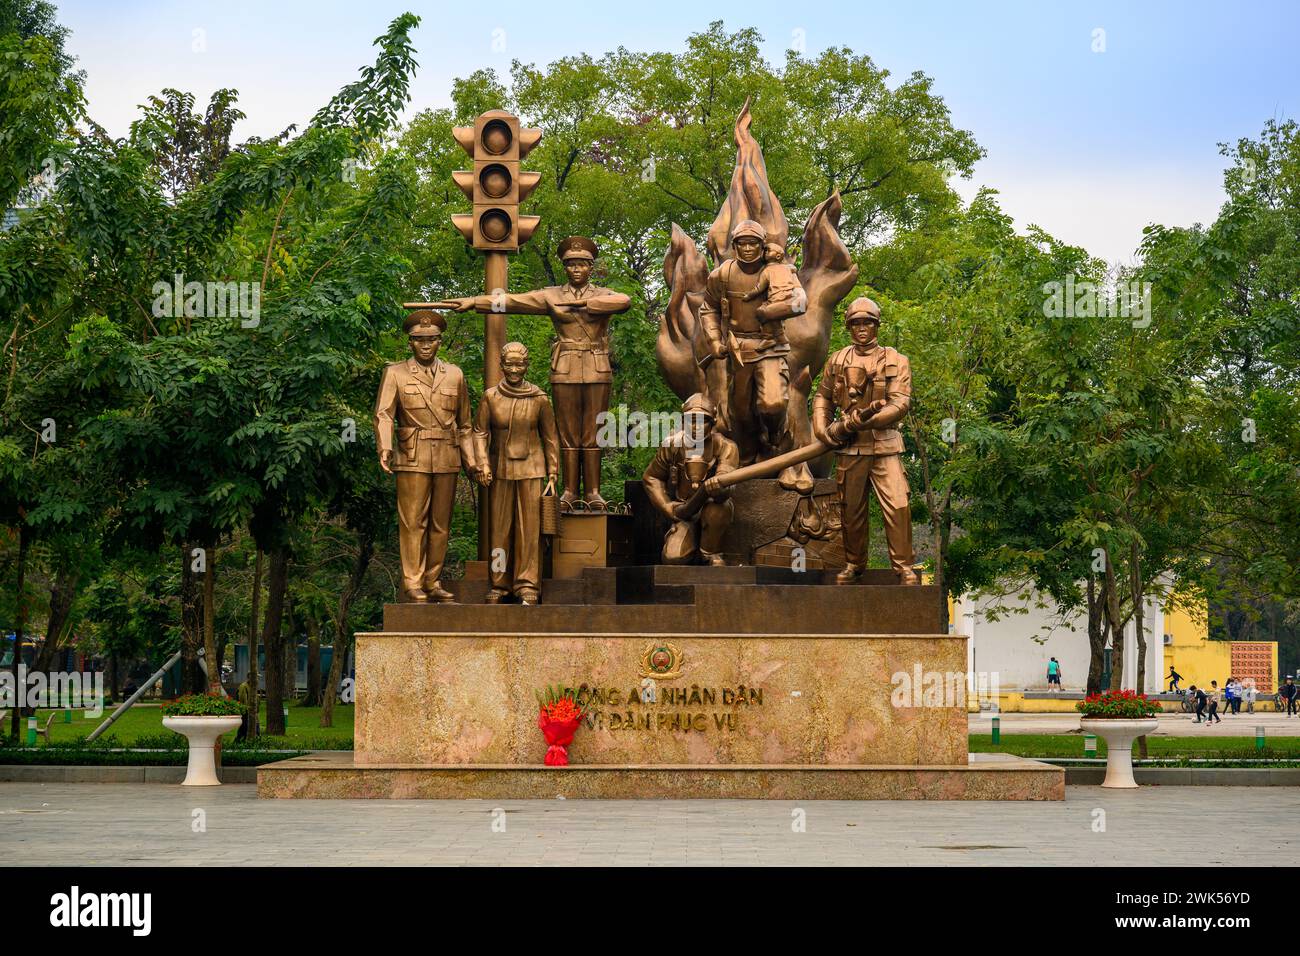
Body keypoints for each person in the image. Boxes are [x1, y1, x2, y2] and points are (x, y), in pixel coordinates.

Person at [442, 237, 632, 511]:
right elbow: (511, 301)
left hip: (596, 365)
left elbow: (624, 301)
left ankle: (592, 491)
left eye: (581, 265)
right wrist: (475, 301)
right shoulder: (551, 295)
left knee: (593, 432)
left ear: (591, 267)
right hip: (565, 366)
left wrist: (587, 306)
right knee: (567, 432)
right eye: (570, 265)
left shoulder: (603, 294)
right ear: (564, 268)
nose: (576, 270)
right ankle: (568, 490)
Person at [374, 309, 481, 603]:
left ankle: (433, 580)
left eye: (431, 339)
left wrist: (472, 461)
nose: (425, 345)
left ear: (440, 342)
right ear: (410, 343)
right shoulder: (395, 373)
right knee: (412, 522)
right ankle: (412, 581)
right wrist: (384, 445)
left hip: (447, 454)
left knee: (440, 523)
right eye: (419, 340)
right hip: (412, 453)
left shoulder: (455, 374)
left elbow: (466, 424)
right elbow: (384, 414)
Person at [812, 297, 919, 585]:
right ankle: (854, 564)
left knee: (898, 504)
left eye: (867, 323)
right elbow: (822, 397)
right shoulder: (837, 360)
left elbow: (900, 402)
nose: (862, 328)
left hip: (885, 446)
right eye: (856, 323)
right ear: (849, 327)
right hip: (850, 447)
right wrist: (823, 428)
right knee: (851, 510)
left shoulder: (896, 360)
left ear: (876, 326)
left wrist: (870, 420)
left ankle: (904, 567)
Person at [699, 220, 808, 485]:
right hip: (738, 351)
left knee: (773, 404)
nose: (748, 249)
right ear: (735, 245)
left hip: (770, 347)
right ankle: (746, 459)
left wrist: (773, 311)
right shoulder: (722, 275)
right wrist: (714, 341)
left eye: (753, 243)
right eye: (742, 243)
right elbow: (708, 309)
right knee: (740, 411)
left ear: (762, 246)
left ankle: (777, 446)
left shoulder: (778, 271)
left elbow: (801, 301)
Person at [473, 342, 560, 605]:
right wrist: (483, 463)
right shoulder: (490, 397)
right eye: (509, 364)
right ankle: (499, 584)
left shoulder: (539, 398)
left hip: (532, 469)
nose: (514, 369)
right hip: (499, 469)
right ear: (501, 365)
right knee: (500, 531)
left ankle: (527, 585)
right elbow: (479, 432)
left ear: (527, 365)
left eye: (519, 364)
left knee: (529, 531)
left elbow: (551, 437)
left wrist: (553, 473)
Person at [644, 393, 739, 566]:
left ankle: (710, 552)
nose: (696, 426)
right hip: (684, 512)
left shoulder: (725, 447)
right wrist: (666, 505)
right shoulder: (672, 446)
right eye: (691, 420)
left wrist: (719, 485)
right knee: (673, 558)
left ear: (712, 423)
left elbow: (727, 477)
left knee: (720, 508)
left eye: (702, 420)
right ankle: (686, 538)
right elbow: (652, 477)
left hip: (710, 506)